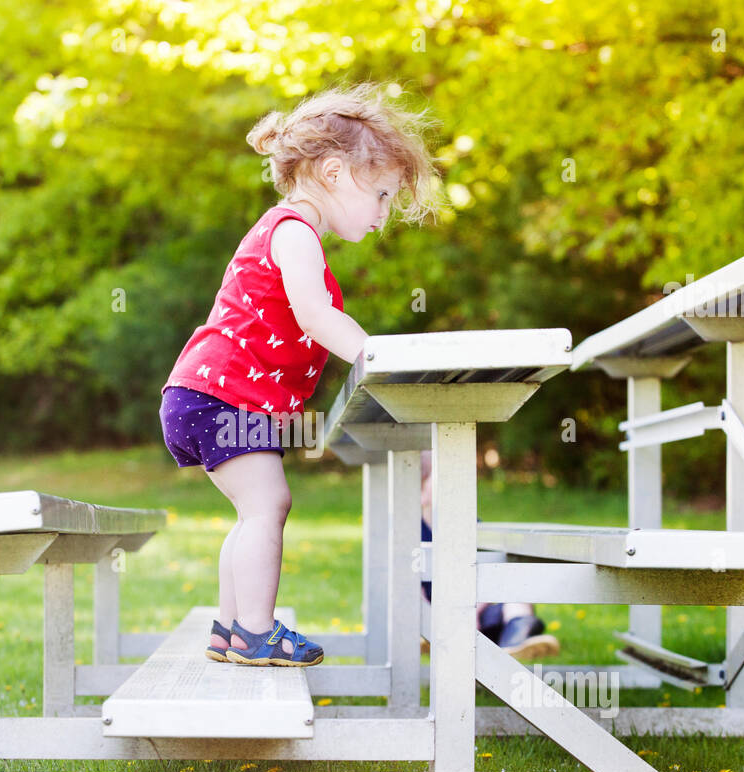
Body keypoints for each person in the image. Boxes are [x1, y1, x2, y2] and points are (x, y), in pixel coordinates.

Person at [159, 81, 444, 666]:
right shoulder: (293, 232)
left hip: (210, 397)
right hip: (219, 398)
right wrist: (377, 359)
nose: (384, 215)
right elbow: (316, 316)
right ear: (336, 171)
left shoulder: (291, 231)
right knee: (269, 505)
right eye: (384, 195)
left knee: (253, 511)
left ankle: (230, 627)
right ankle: (257, 633)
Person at [418, 449, 559, 660]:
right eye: (439, 480)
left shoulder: (469, 526)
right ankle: (432, 638)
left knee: (517, 596)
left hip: (476, 613)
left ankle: (515, 643)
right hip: (434, 616)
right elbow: (411, 592)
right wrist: (444, 619)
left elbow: (492, 575)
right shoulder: (411, 531)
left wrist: (471, 611)